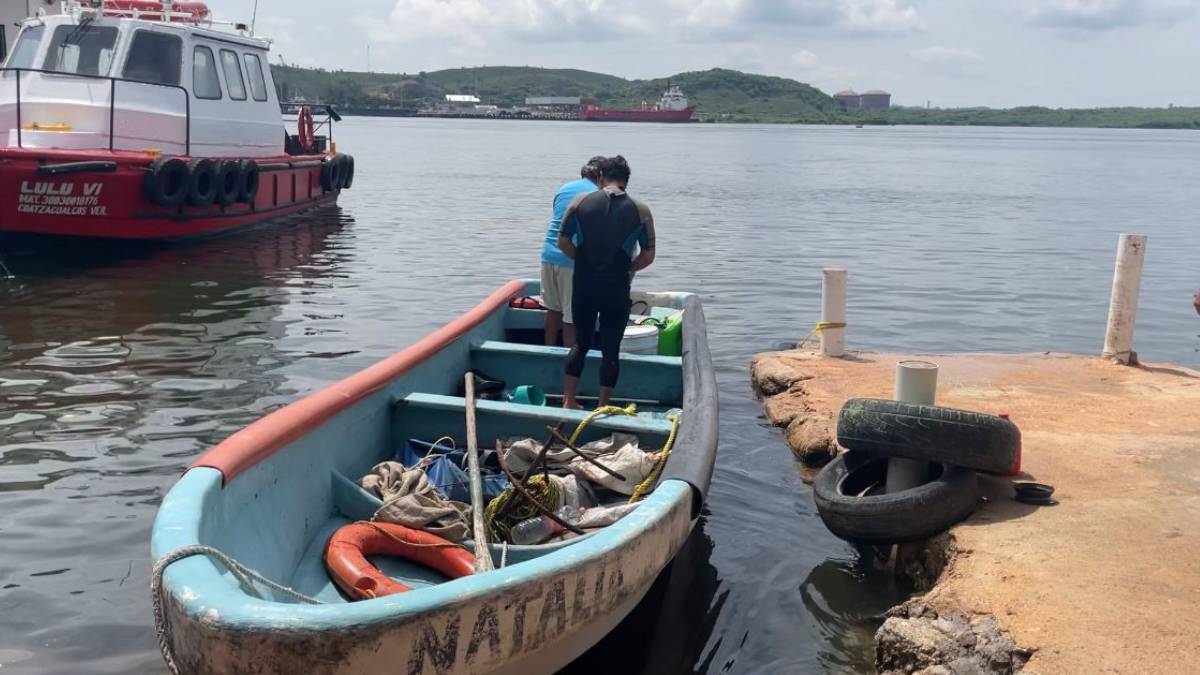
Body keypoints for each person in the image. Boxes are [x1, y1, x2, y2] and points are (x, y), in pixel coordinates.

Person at [557, 156, 656, 409]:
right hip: (616, 287)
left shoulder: (580, 203)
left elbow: (563, 241)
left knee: (581, 343)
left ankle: (568, 401)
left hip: (585, 284)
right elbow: (648, 255)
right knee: (611, 349)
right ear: (626, 181)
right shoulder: (640, 210)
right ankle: (602, 406)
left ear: (600, 178)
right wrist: (628, 268)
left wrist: (582, 260)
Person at [541, 157, 604, 346]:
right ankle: (572, 363)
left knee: (553, 310)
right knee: (572, 317)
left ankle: (548, 352)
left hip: (548, 254)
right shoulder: (597, 195)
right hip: (572, 258)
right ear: (602, 177)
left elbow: (560, 218)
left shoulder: (564, 189)